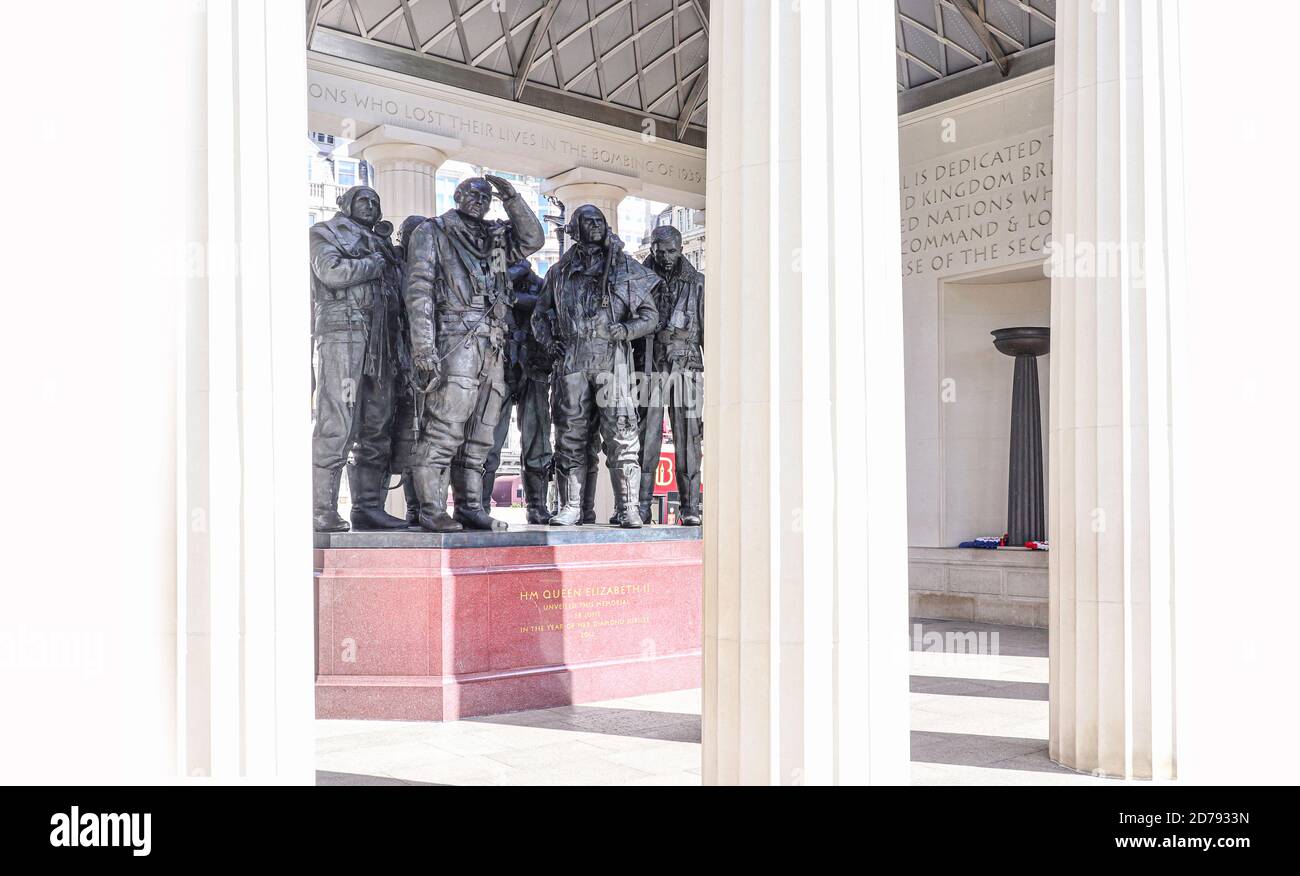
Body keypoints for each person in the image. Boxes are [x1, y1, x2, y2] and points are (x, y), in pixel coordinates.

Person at [403, 175, 545, 532]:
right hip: (455, 338)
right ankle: (431, 508)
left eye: (486, 197)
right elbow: (418, 290)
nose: (479, 201)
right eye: (472, 194)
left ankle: (469, 506)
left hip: (492, 344)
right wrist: (424, 348)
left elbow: (533, 239)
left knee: (481, 432)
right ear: (457, 195)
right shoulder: (433, 232)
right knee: (444, 428)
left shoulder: (494, 239)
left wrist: (511, 197)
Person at [532, 204, 660, 528]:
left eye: (599, 221)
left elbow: (650, 316)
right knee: (570, 437)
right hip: (572, 364)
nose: (595, 226)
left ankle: (628, 506)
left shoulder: (624, 269)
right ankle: (572, 506)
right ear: (574, 229)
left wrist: (627, 330)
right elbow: (539, 316)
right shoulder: (559, 272)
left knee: (622, 436)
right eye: (587, 221)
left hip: (611, 363)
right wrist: (550, 342)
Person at [309, 185, 410, 532]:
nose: (370, 206)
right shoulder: (323, 232)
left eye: (375, 202)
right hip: (343, 334)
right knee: (336, 420)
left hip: (383, 341)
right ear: (346, 204)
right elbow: (331, 272)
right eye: (363, 200)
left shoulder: (384, 244)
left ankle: (368, 507)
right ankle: (320, 508)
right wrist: (371, 263)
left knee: (377, 425)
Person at [637, 225, 704, 525]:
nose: (664, 256)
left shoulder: (698, 284)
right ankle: (640, 506)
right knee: (645, 438)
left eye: (671, 251)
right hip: (648, 368)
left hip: (686, 368)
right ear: (651, 247)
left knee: (688, 439)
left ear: (680, 250)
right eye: (659, 250)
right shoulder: (637, 281)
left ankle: (690, 507)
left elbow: (709, 333)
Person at [483, 260, 556, 524]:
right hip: (498, 367)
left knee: (538, 441)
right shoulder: (489, 278)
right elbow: (491, 298)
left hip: (533, 368)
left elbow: (543, 306)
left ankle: (537, 504)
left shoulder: (539, 284)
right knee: (487, 441)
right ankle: (479, 505)